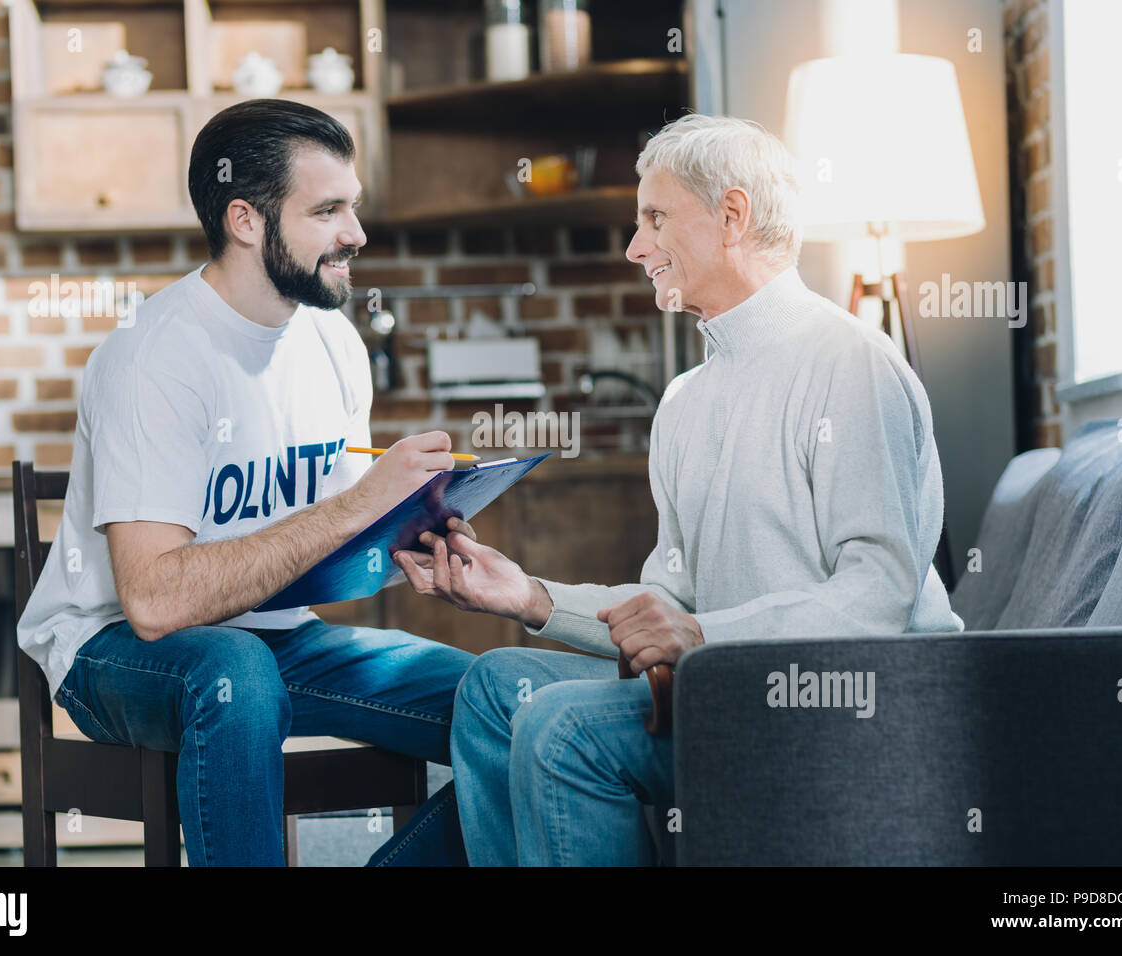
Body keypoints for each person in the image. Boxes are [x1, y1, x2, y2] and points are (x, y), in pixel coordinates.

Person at [394, 113, 964, 866]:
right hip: (731, 687)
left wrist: (701, 638)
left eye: (655, 218)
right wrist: (528, 595)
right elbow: (666, 613)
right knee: (497, 685)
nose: (635, 248)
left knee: (562, 727)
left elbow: (879, 594)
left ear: (732, 217)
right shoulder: (686, 400)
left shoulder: (849, 361)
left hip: (853, 704)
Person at [17, 99, 475, 866]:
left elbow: (330, 542)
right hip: (114, 651)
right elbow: (156, 603)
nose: (355, 234)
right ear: (246, 220)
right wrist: (361, 501)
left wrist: (412, 528)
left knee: (508, 703)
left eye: (352, 208)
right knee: (235, 673)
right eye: (327, 210)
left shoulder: (333, 342)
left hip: (282, 638)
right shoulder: (154, 359)